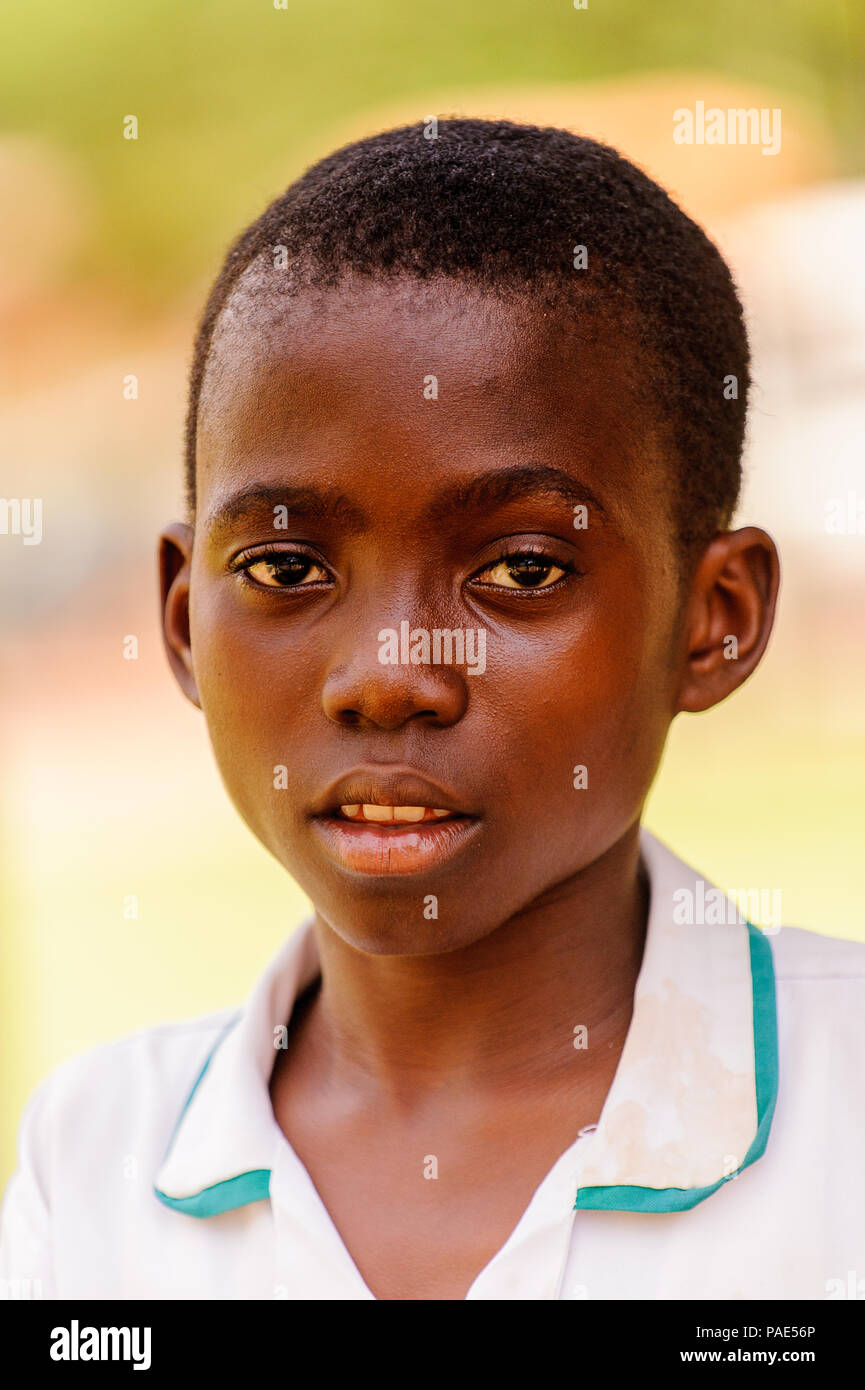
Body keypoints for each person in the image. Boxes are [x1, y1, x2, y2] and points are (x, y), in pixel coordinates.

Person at [2, 118, 862, 1301]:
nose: (389, 675)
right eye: (287, 569)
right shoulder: (95, 1160)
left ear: (713, 618)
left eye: (519, 570)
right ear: (185, 617)